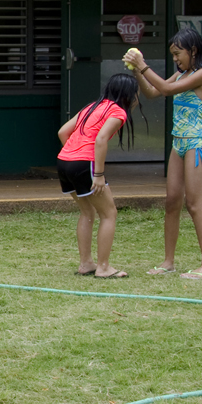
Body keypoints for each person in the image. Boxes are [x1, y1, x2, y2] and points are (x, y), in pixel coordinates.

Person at [126, 29, 202, 279]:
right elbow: (153, 92)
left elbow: (166, 89)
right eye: (173, 55)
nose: (176, 60)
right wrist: (136, 70)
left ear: (193, 51)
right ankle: (168, 262)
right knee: (172, 202)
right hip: (178, 144)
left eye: (178, 54)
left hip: (196, 144)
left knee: (194, 203)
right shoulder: (181, 74)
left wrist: (143, 65)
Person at [56, 72, 138, 280]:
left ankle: (86, 264)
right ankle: (103, 268)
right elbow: (101, 139)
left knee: (87, 212)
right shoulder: (118, 112)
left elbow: (63, 132)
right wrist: (98, 174)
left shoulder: (92, 107)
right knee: (109, 213)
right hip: (84, 163)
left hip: (64, 162)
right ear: (129, 95)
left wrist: (74, 157)